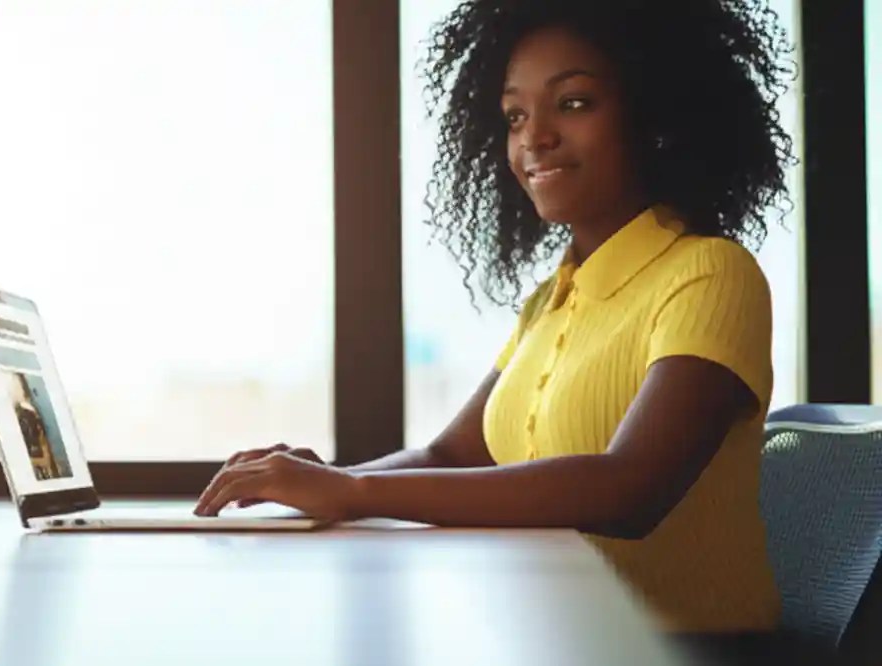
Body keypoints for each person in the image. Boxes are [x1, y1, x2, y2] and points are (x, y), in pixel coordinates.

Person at [195, 0, 795, 632]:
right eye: (515, 115)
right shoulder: (554, 298)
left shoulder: (710, 273)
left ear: (654, 113)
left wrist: (354, 493)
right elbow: (451, 455)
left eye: (574, 103)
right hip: (560, 655)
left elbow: (629, 490)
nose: (533, 137)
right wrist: (324, 481)